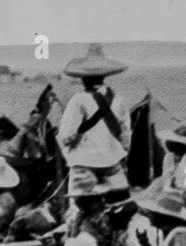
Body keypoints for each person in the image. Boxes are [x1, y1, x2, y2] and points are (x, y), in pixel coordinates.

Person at [57, 44, 132, 202]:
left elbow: (66, 136)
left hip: (83, 163)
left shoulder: (78, 101)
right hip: (111, 161)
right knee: (119, 206)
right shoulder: (118, 99)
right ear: (103, 77)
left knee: (80, 208)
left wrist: (68, 146)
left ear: (83, 78)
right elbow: (125, 135)